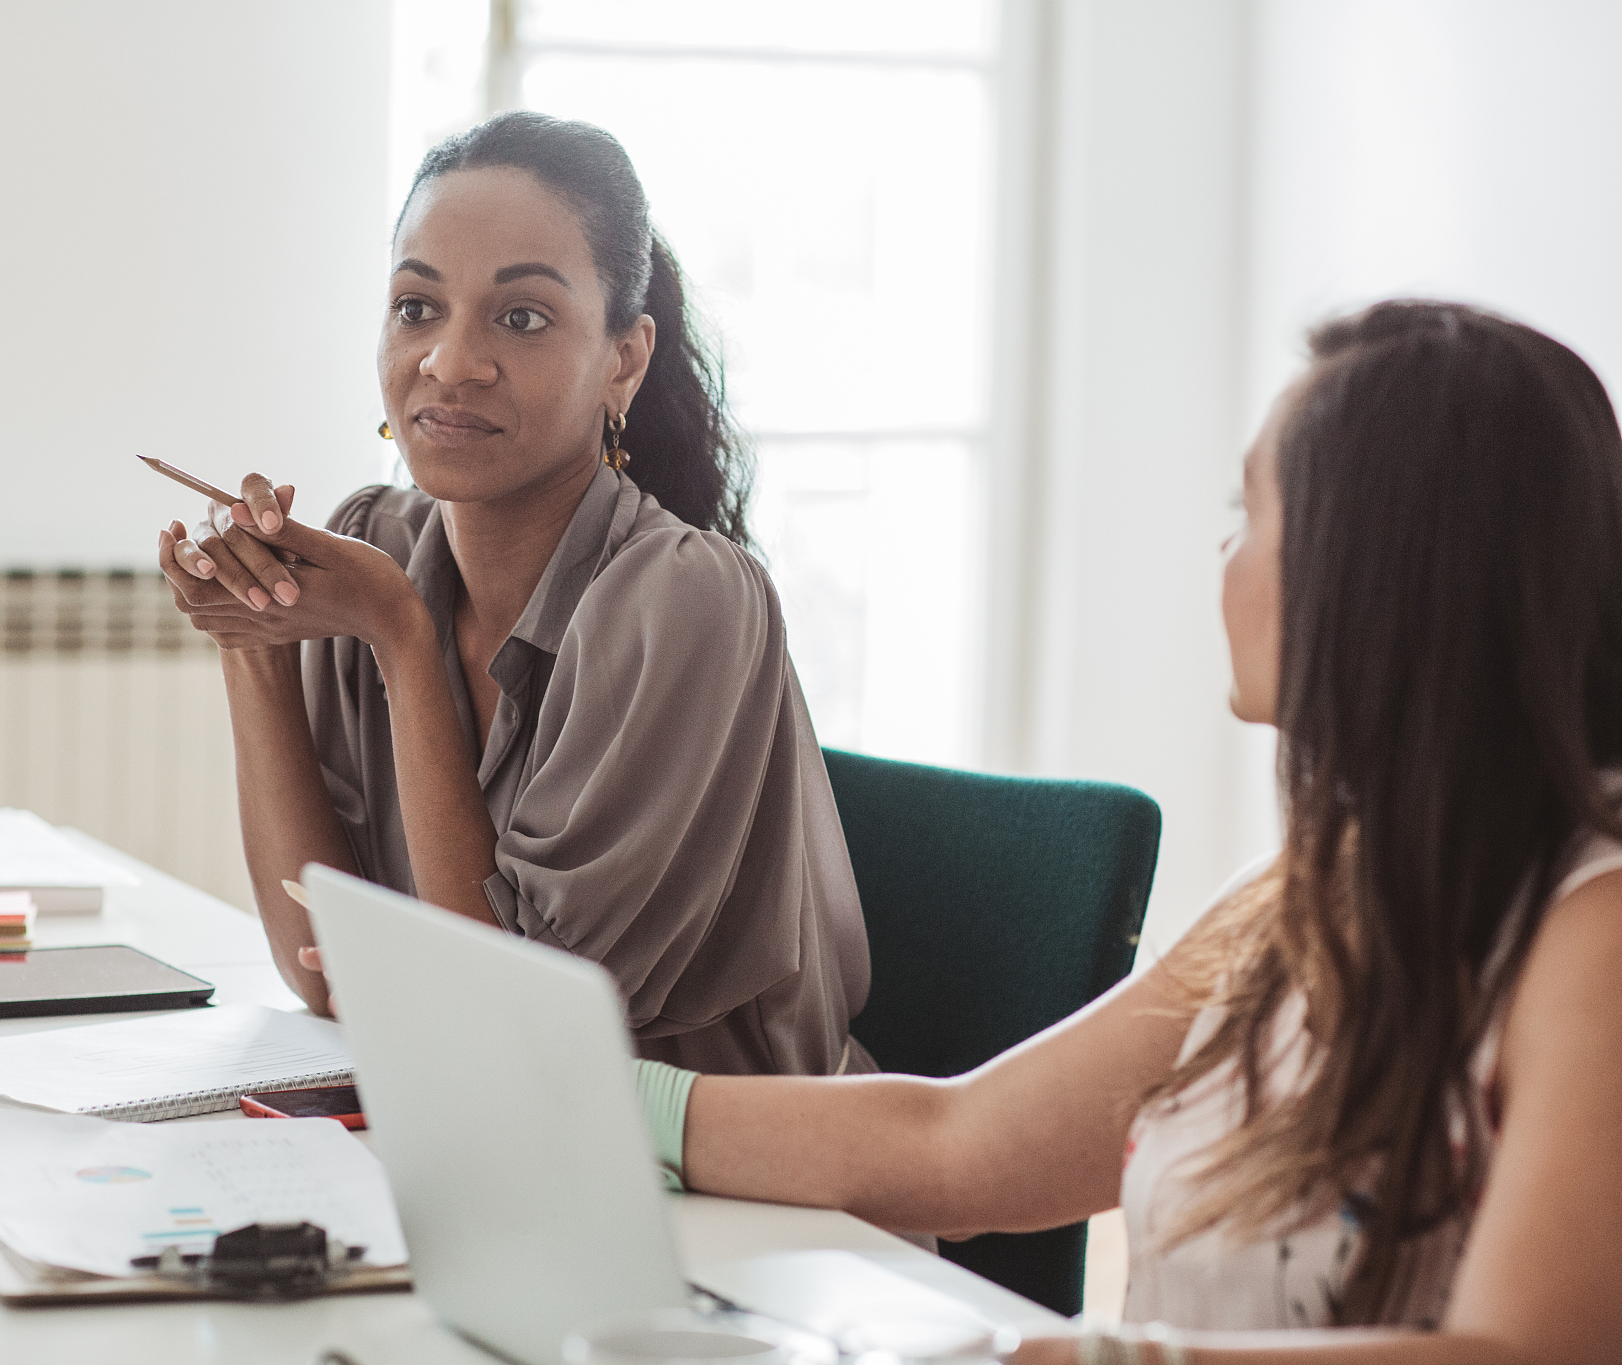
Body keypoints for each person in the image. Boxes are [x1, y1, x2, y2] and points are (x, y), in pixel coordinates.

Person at [630, 301, 1622, 1361]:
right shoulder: (1301, 893)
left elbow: (1527, 1350)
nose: (1222, 550)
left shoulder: (1588, 936)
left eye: (1247, 509)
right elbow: (957, 1146)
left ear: (1374, 569)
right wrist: (619, 1100)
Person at [156, 112, 870, 1077]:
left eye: (521, 317)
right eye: (417, 308)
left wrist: (402, 638)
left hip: (730, 1189)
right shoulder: (378, 540)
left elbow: (503, 1027)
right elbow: (317, 972)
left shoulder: (685, 601)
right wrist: (253, 640)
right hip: (488, 1134)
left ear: (624, 357)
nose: (450, 363)